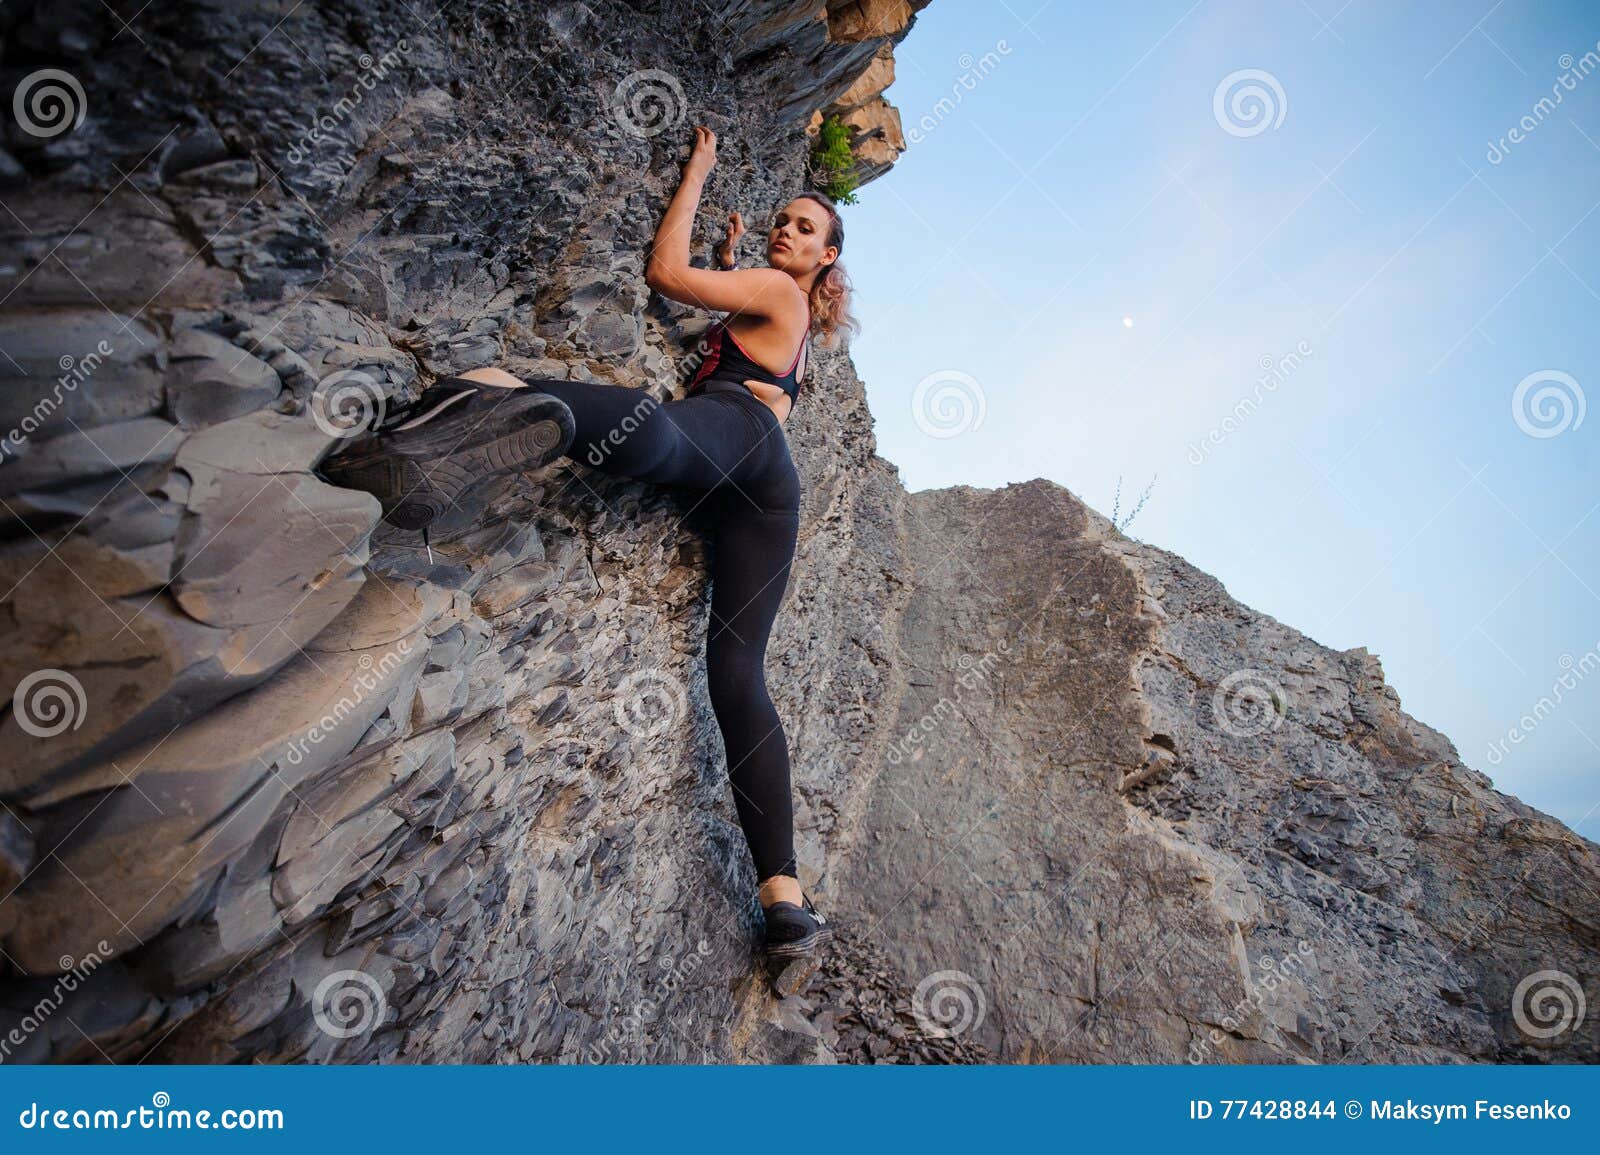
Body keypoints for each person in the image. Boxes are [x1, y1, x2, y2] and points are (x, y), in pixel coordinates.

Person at [319, 125, 858, 966]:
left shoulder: (779, 293)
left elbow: (665, 275)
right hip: (761, 487)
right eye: (782, 221)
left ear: (825, 260)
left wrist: (698, 172)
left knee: (664, 439)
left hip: (735, 439)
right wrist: (734, 254)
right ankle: (786, 904)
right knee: (738, 673)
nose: (786, 230)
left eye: (804, 229)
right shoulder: (775, 302)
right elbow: (715, 304)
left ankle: (528, 410)